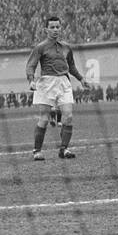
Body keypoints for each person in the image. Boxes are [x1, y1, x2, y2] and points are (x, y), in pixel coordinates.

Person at [25, 16, 91, 160]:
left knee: (68, 115)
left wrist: (81, 79)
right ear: (46, 29)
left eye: (57, 27)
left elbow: (71, 66)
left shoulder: (66, 47)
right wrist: (31, 80)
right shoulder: (40, 47)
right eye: (52, 27)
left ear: (61, 28)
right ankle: (37, 151)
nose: (55, 30)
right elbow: (31, 65)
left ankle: (64, 149)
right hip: (46, 83)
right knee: (44, 118)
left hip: (64, 82)